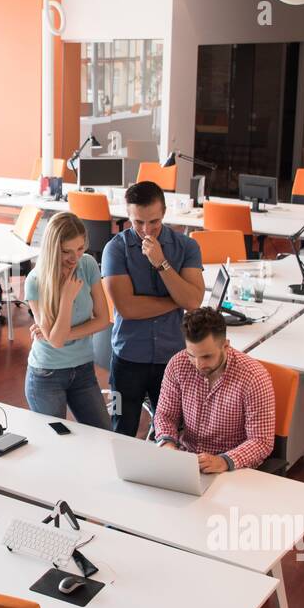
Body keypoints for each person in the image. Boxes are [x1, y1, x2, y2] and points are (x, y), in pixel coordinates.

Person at [101, 179, 205, 437]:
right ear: (127, 214)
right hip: (127, 358)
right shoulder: (114, 249)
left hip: (173, 358)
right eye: (138, 222)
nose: (147, 230)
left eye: (154, 221)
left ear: (164, 213)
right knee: (121, 429)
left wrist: (161, 264)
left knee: (172, 433)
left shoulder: (187, 247)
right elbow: (128, 309)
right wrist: (177, 297)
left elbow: (193, 302)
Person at [152, 307, 275, 473]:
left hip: (232, 467)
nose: (198, 364)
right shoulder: (178, 364)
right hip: (186, 459)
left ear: (225, 346)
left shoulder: (253, 378)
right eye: (192, 355)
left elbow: (261, 441)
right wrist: (167, 444)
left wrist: (224, 461)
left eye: (206, 356)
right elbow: (165, 415)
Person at [24, 211, 112, 427]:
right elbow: (55, 342)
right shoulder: (35, 281)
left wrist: (63, 334)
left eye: (80, 249)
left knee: (105, 436)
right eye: (66, 252)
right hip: (46, 375)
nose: (75, 258)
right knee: (57, 444)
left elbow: (102, 319)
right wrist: (66, 297)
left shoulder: (88, 264)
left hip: (83, 368)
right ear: (53, 249)